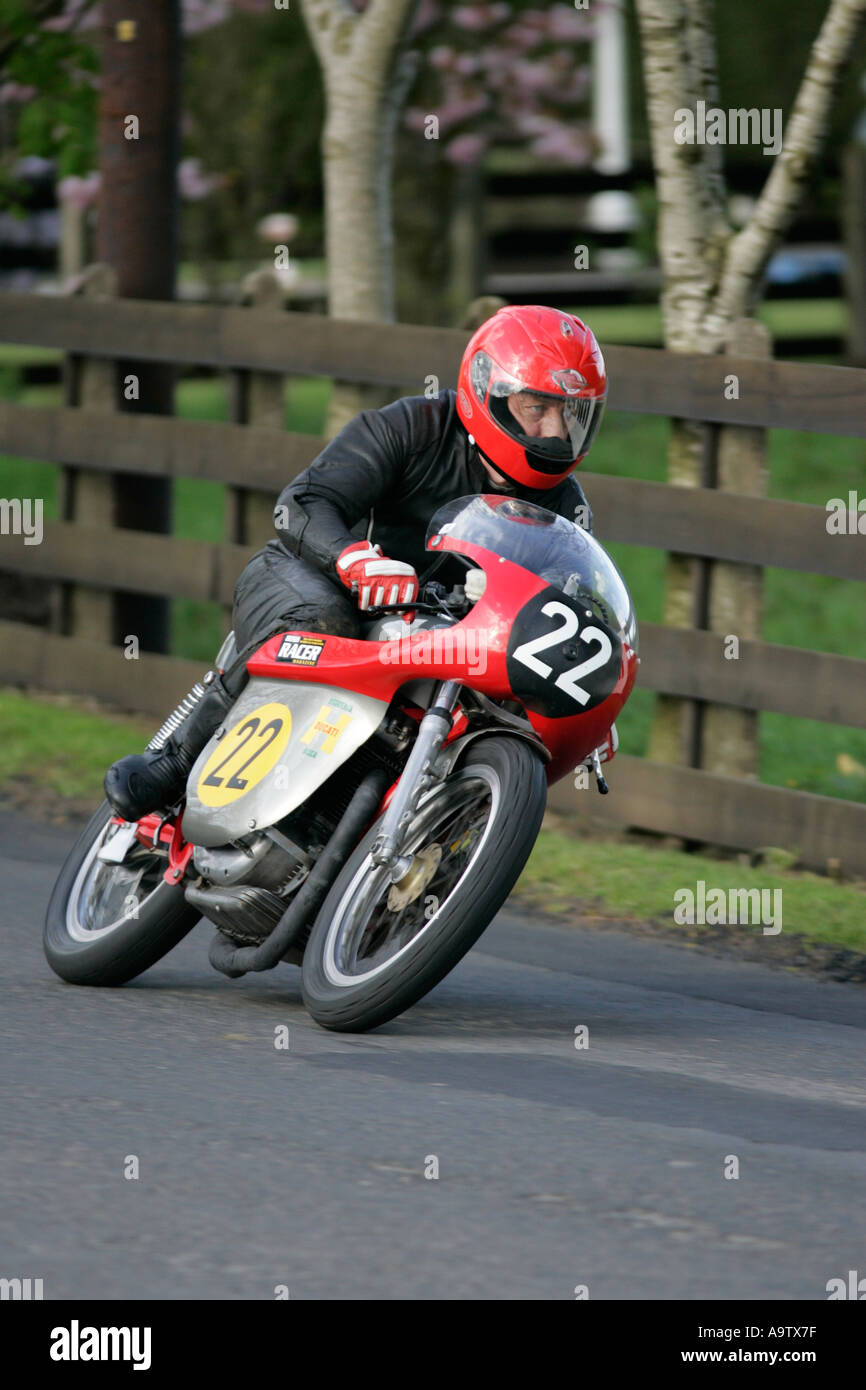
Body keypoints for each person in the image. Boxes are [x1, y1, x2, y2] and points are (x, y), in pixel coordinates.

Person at [104, 304, 608, 821]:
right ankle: (176, 762)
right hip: (314, 579)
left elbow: (571, 604)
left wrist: (587, 687)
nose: (554, 432)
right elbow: (301, 501)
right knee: (322, 621)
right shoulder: (413, 427)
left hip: (434, 645)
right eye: (536, 407)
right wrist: (352, 559)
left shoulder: (566, 512)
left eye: (570, 414)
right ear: (490, 390)